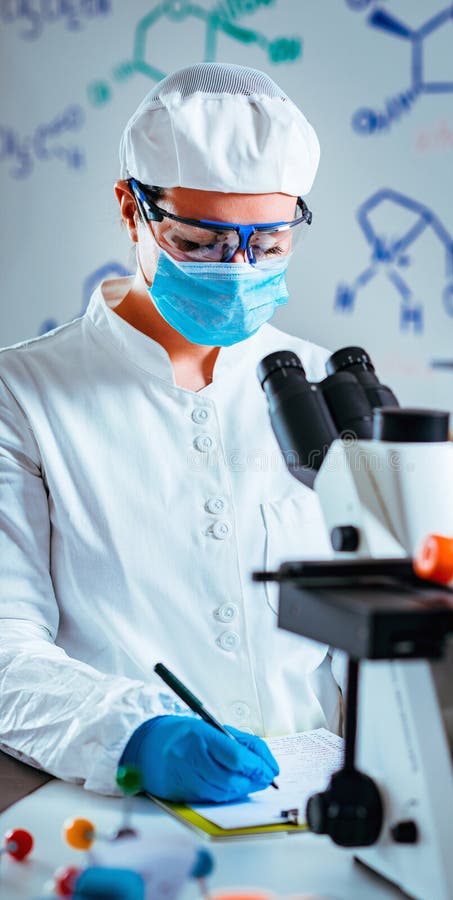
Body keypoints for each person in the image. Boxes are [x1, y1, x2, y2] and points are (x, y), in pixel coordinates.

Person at [0, 63, 343, 803]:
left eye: (271, 243)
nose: (239, 268)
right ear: (131, 210)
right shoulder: (23, 395)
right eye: (201, 243)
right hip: (118, 799)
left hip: (323, 803)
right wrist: (131, 735)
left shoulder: (330, 387)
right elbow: (4, 652)